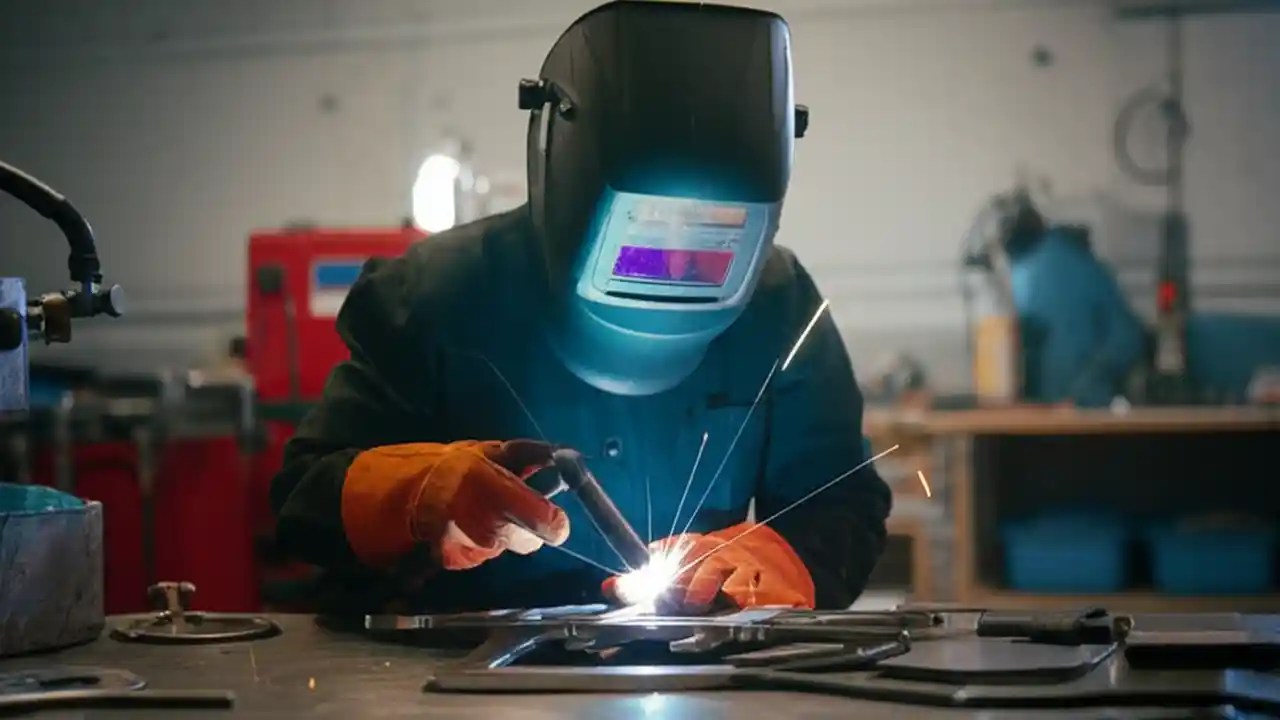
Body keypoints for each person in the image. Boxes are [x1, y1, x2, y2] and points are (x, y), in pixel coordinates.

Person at [271, 0, 892, 614]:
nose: (673, 263)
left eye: (711, 237)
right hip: (457, 682)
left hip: (691, 670)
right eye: (645, 237)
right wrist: (418, 496)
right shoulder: (433, 295)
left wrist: (772, 561)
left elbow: (844, 509)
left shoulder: (780, 308)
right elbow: (304, 501)